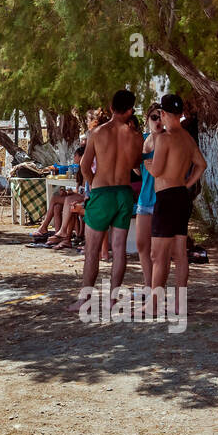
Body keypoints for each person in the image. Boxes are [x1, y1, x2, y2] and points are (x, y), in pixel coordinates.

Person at [70, 90, 143, 310]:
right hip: (123, 192)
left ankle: (85, 300)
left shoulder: (97, 133)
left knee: (92, 250)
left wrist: (95, 185)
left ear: (111, 108)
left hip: (103, 192)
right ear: (130, 110)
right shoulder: (136, 136)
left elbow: (84, 166)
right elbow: (135, 166)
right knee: (119, 249)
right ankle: (113, 299)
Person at [144, 93, 207, 316]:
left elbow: (158, 170)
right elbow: (202, 164)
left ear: (163, 113)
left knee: (158, 255)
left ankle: (153, 305)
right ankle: (180, 303)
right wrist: (186, 183)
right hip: (180, 195)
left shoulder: (165, 138)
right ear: (180, 114)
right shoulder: (187, 138)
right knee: (180, 254)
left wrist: (147, 164)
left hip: (167, 197)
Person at [134, 103, 163, 282]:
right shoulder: (142, 140)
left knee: (158, 250)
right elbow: (138, 170)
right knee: (142, 245)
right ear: (147, 120)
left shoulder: (169, 139)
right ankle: (148, 284)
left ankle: (157, 287)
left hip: (163, 199)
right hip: (145, 199)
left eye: (161, 117)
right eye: (154, 117)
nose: (158, 121)